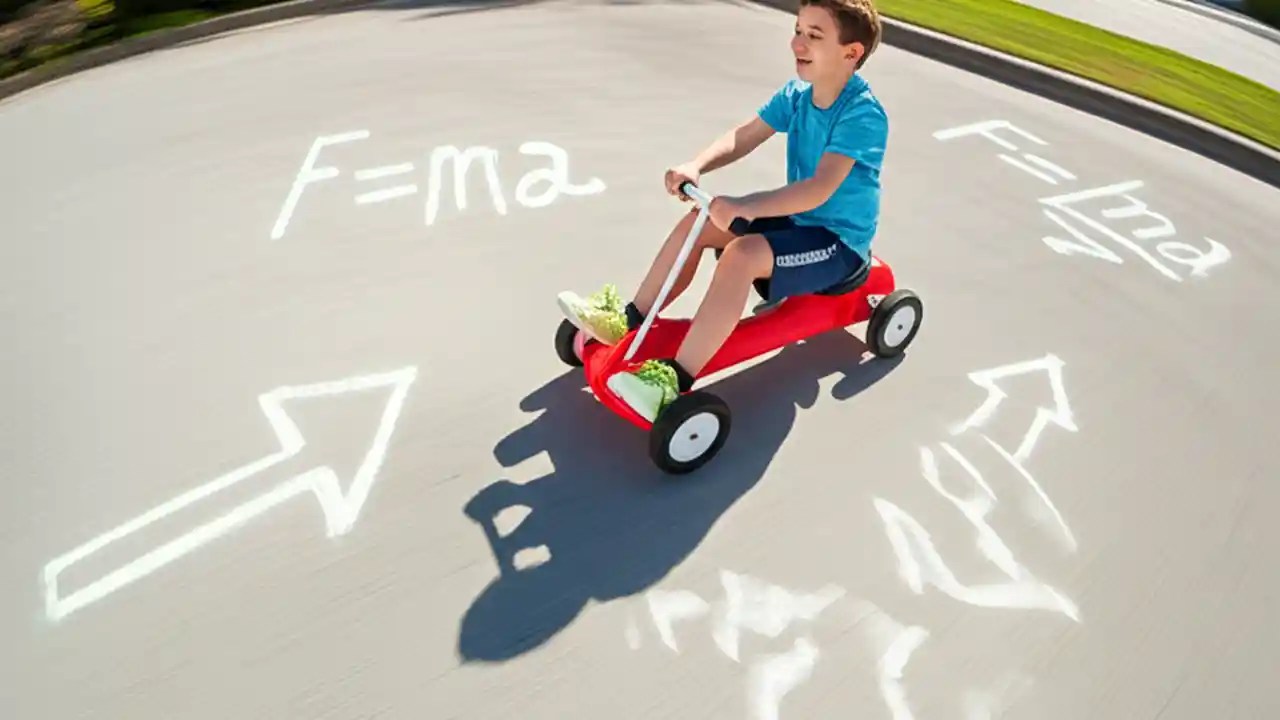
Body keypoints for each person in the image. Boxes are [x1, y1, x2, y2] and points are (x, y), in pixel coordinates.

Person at [557, 0, 889, 422]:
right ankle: (629, 318)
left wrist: (744, 206)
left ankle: (673, 379)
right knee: (700, 223)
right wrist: (696, 165)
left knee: (741, 255)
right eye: (798, 30)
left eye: (814, 36)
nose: (797, 44)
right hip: (800, 221)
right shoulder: (797, 96)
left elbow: (818, 190)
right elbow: (744, 135)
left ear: (851, 52)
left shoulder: (862, 116)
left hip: (838, 244)